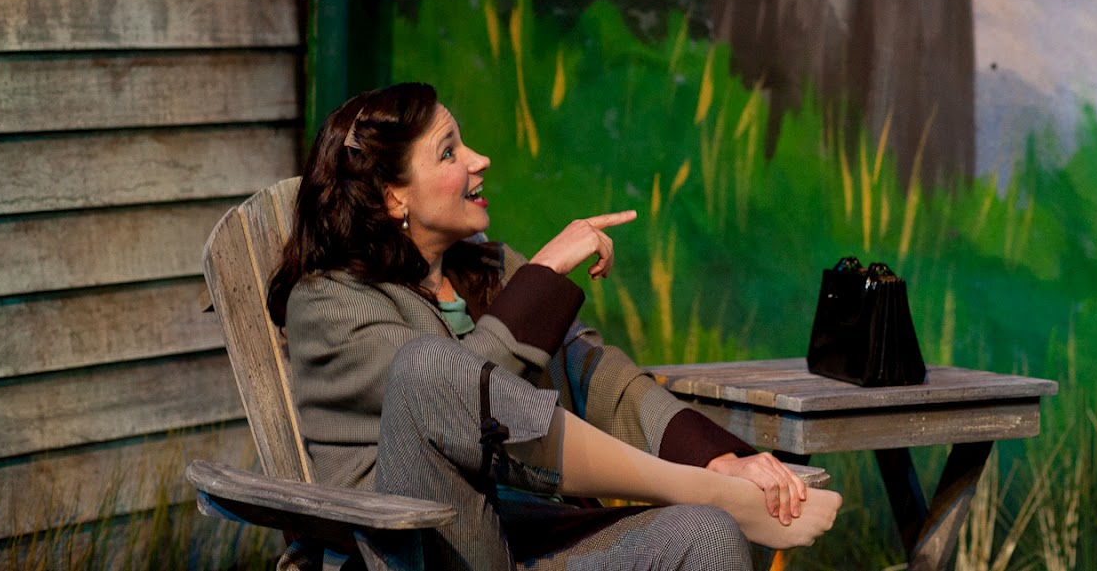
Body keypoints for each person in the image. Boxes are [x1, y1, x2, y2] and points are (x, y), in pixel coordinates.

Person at [266, 82, 841, 570]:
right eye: (449, 153)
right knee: (426, 371)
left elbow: (599, 376)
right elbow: (461, 391)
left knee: (707, 533)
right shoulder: (329, 304)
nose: (479, 158)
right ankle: (687, 486)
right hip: (421, 549)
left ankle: (705, 487)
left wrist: (719, 459)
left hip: (536, 537)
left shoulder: (486, 270)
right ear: (394, 197)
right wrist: (542, 275)